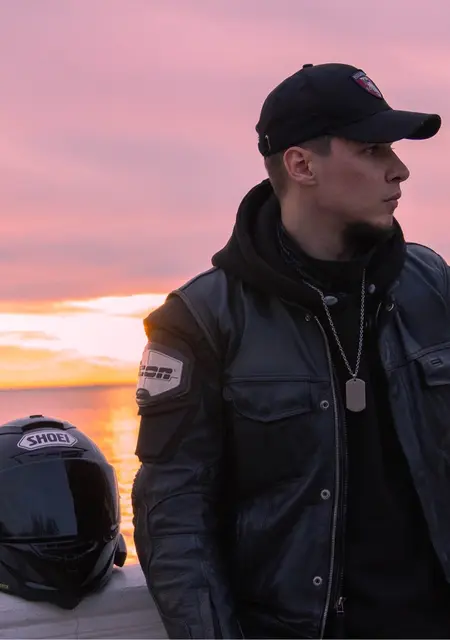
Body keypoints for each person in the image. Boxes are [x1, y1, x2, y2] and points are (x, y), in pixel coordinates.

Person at [131, 62, 450, 639]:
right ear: (302, 165)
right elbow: (174, 518)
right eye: (373, 149)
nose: (399, 170)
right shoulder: (201, 321)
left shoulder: (431, 283)